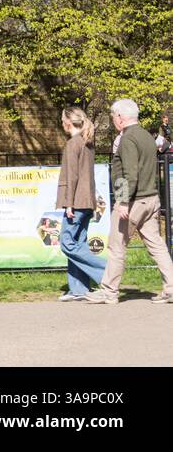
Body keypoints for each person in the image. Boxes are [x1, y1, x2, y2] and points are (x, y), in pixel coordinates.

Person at [86, 99, 173, 303]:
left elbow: (129, 173)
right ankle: (171, 288)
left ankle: (109, 291)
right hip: (151, 199)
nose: (113, 120)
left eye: (113, 116)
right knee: (157, 246)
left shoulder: (127, 139)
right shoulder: (146, 136)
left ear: (120, 117)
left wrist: (123, 201)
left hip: (133, 201)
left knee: (117, 246)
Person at [56, 106, 108, 301]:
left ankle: (107, 274)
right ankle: (78, 289)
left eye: (62, 120)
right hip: (87, 202)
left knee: (67, 244)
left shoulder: (73, 144)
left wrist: (68, 204)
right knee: (78, 243)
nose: (61, 123)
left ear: (68, 122)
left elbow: (73, 177)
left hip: (76, 202)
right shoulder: (87, 142)